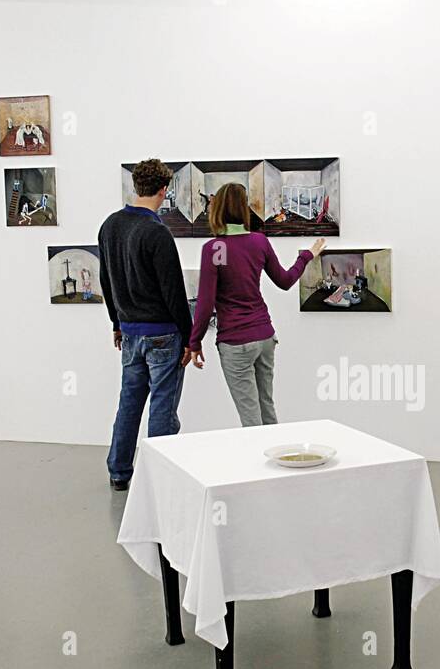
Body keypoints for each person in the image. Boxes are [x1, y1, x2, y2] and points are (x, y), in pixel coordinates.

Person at [188, 182, 324, 426]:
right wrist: (306, 256)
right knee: (266, 408)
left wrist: (194, 341)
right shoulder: (259, 241)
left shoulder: (216, 248)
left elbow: (206, 303)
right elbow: (285, 280)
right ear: (244, 208)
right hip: (264, 337)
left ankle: (261, 463)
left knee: (251, 419)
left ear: (216, 208)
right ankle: (278, 462)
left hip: (236, 341)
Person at [98, 158, 193, 491]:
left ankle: (119, 471)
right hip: (163, 334)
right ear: (164, 191)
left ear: (135, 187)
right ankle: (159, 479)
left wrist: (115, 322)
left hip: (129, 332)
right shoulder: (157, 232)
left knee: (129, 402)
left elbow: (105, 280)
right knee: (162, 407)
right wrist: (190, 337)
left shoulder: (109, 226)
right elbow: (173, 291)